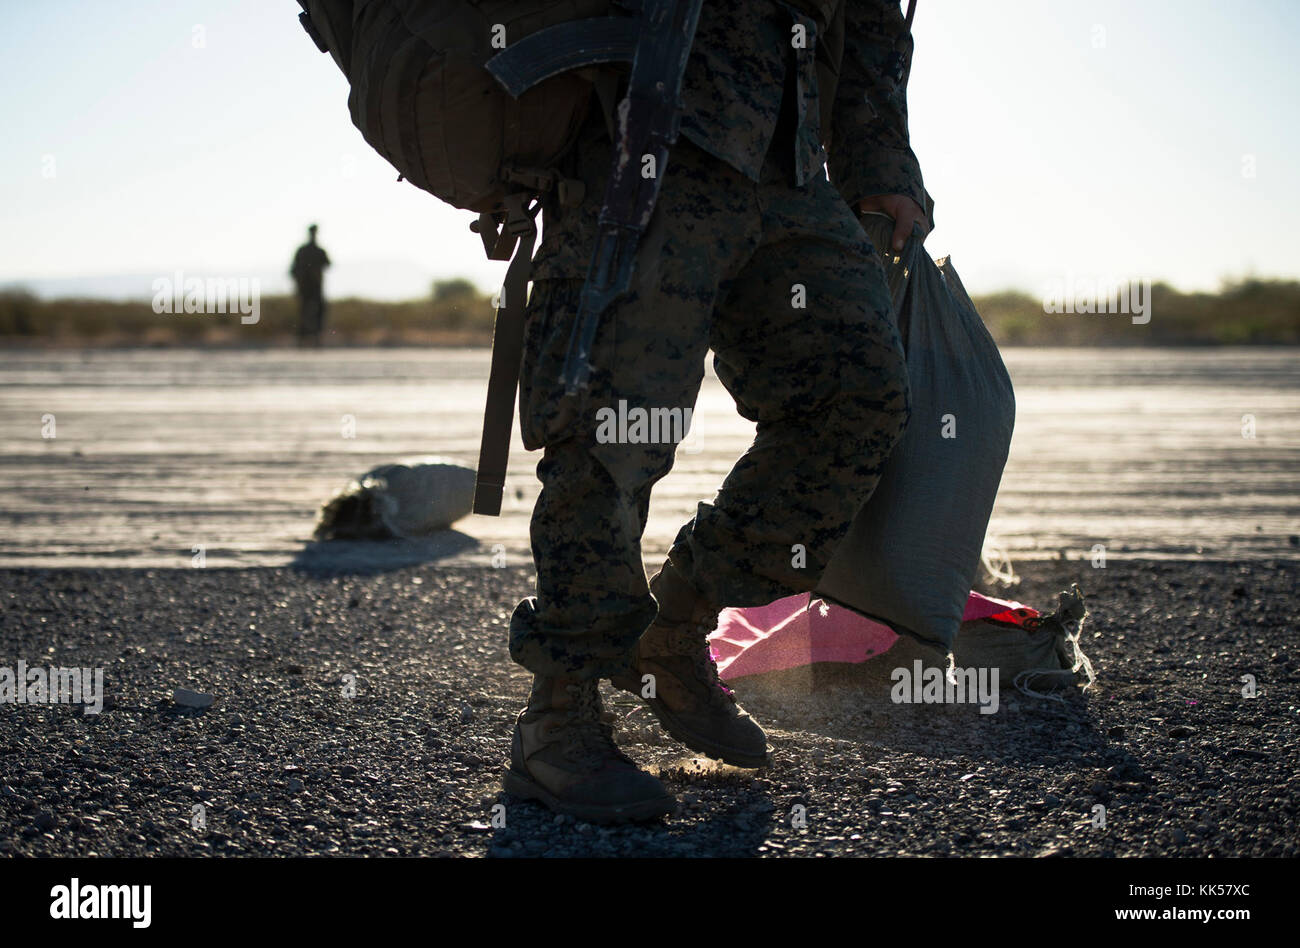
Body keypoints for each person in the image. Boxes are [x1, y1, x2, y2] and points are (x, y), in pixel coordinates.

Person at [501, 0, 935, 823]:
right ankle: (559, 716)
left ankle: (676, 625)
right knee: (612, 428)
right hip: (645, 124)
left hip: (792, 159)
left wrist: (885, 166)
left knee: (858, 395)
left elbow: (873, 20)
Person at [290, 223, 331, 345]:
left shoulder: (316, 251)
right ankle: (303, 338)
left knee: (317, 312)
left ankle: (315, 338)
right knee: (304, 313)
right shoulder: (305, 251)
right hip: (306, 288)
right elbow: (294, 270)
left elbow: (327, 264)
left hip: (315, 287)